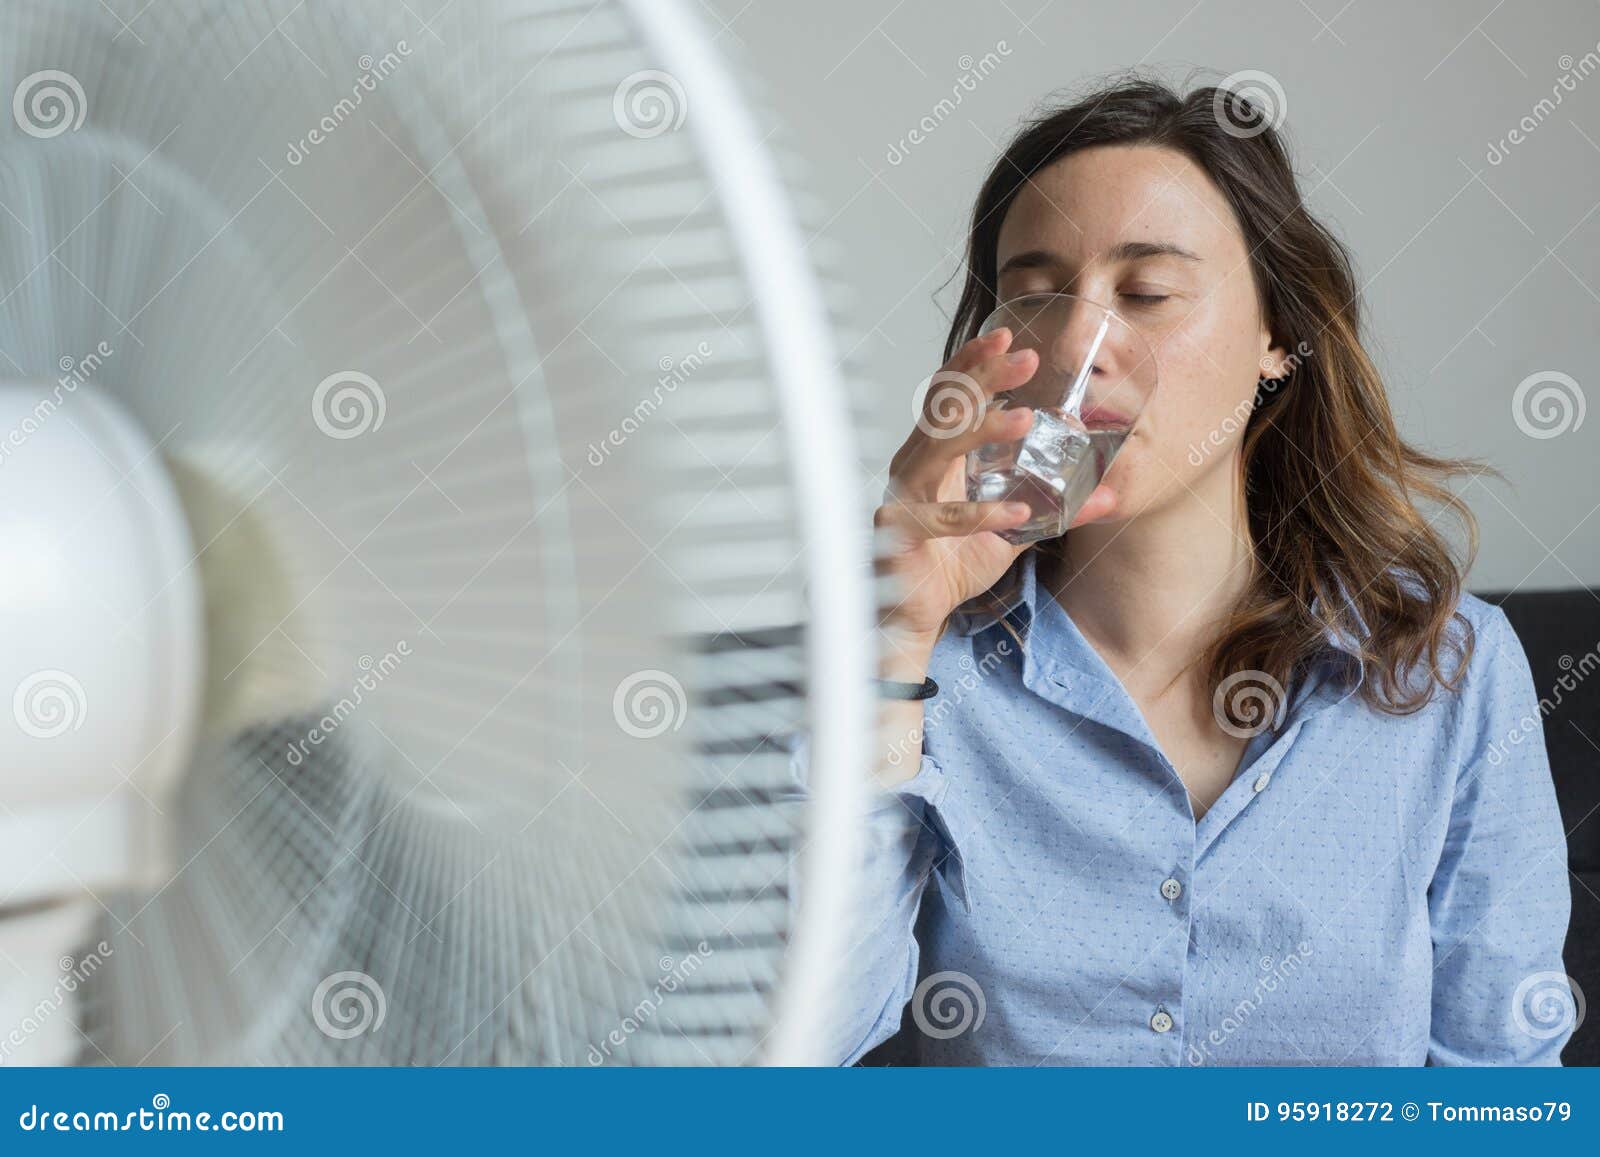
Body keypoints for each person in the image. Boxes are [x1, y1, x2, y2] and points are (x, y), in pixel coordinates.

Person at [818, 77, 1572, 1065]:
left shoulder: (1453, 667)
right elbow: (783, 1059)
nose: (1081, 351)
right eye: (1036, 293)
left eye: (1146, 293)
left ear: (1274, 338)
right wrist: (891, 643)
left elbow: (1501, 1094)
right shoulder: (927, 675)